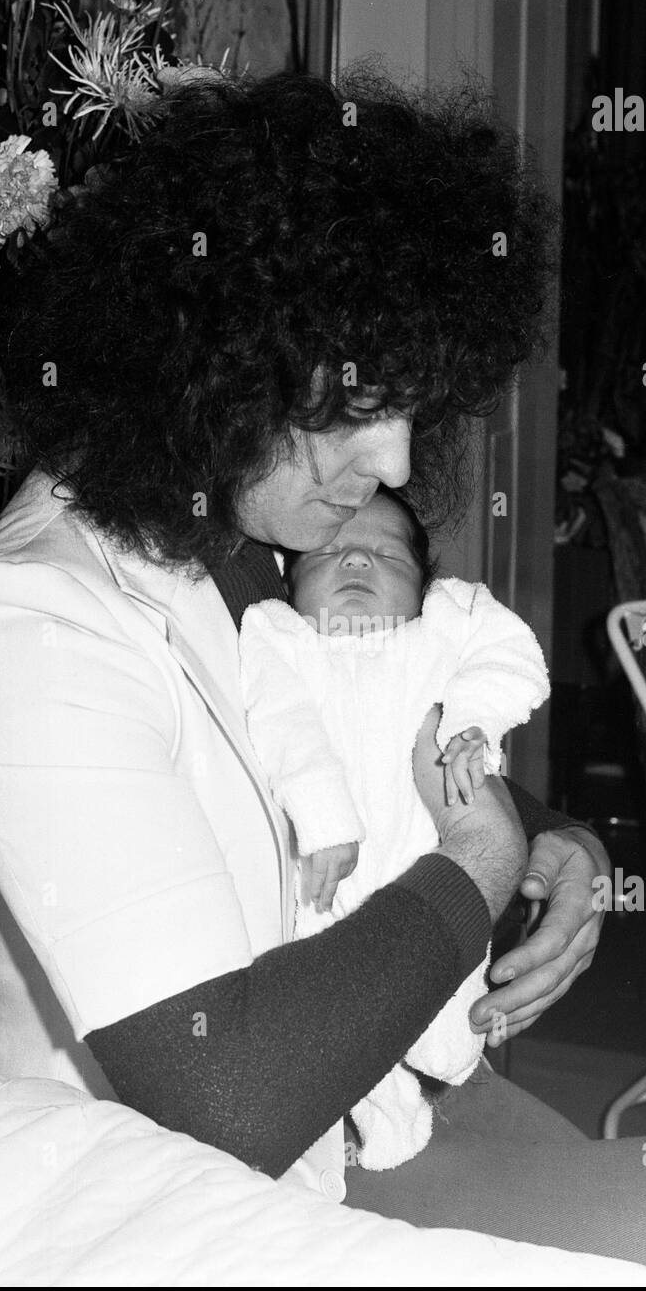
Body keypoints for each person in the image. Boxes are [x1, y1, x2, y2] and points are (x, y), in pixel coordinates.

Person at [0, 72, 646, 1280]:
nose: (394, 459)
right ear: (210, 361)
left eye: (412, 407)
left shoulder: (253, 533)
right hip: (197, 1204)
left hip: (384, 1099)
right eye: (356, 408)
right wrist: (476, 872)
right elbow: (227, 1096)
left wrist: (557, 839)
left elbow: (372, 736)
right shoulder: (30, 624)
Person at [239, 485, 550, 1171]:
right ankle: (342, 1122)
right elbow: (283, 721)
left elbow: (511, 653)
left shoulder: (443, 623)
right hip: (321, 871)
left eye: (384, 553)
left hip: (423, 853)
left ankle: (409, 1097)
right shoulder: (278, 633)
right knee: (315, 996)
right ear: (290, 576)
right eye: (331, 551)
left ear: (423, 585)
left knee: (443, 1008)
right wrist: (322, 816)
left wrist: (475, 721)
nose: (356, 561)